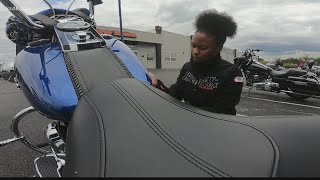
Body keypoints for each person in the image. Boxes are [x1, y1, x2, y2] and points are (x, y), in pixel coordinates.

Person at [149, 9, 243, 115]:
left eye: (203, 47)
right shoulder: (187, 68)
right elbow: (174, 95)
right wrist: (157, 84)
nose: (195, 51)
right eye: (193, 45)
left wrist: (186, 112)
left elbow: (222, 110)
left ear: (218, 48)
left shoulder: (232, 73)